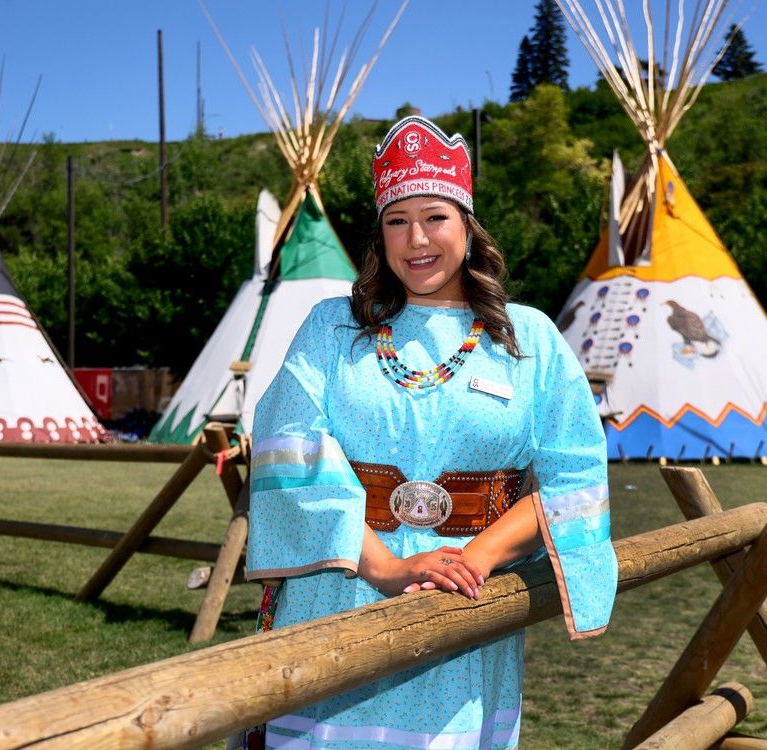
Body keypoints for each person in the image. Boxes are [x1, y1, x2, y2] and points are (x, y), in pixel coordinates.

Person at [244, 115, 617, 750]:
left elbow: (574, 474)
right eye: (397, 220)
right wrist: (387, 567)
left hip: (466, 605)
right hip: (341, 593)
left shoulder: (530, 339)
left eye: (435, 217)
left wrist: (476, 559)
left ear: (467, 227)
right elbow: (290, 450)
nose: (416, 238)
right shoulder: (331, 328)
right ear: (380, 234)